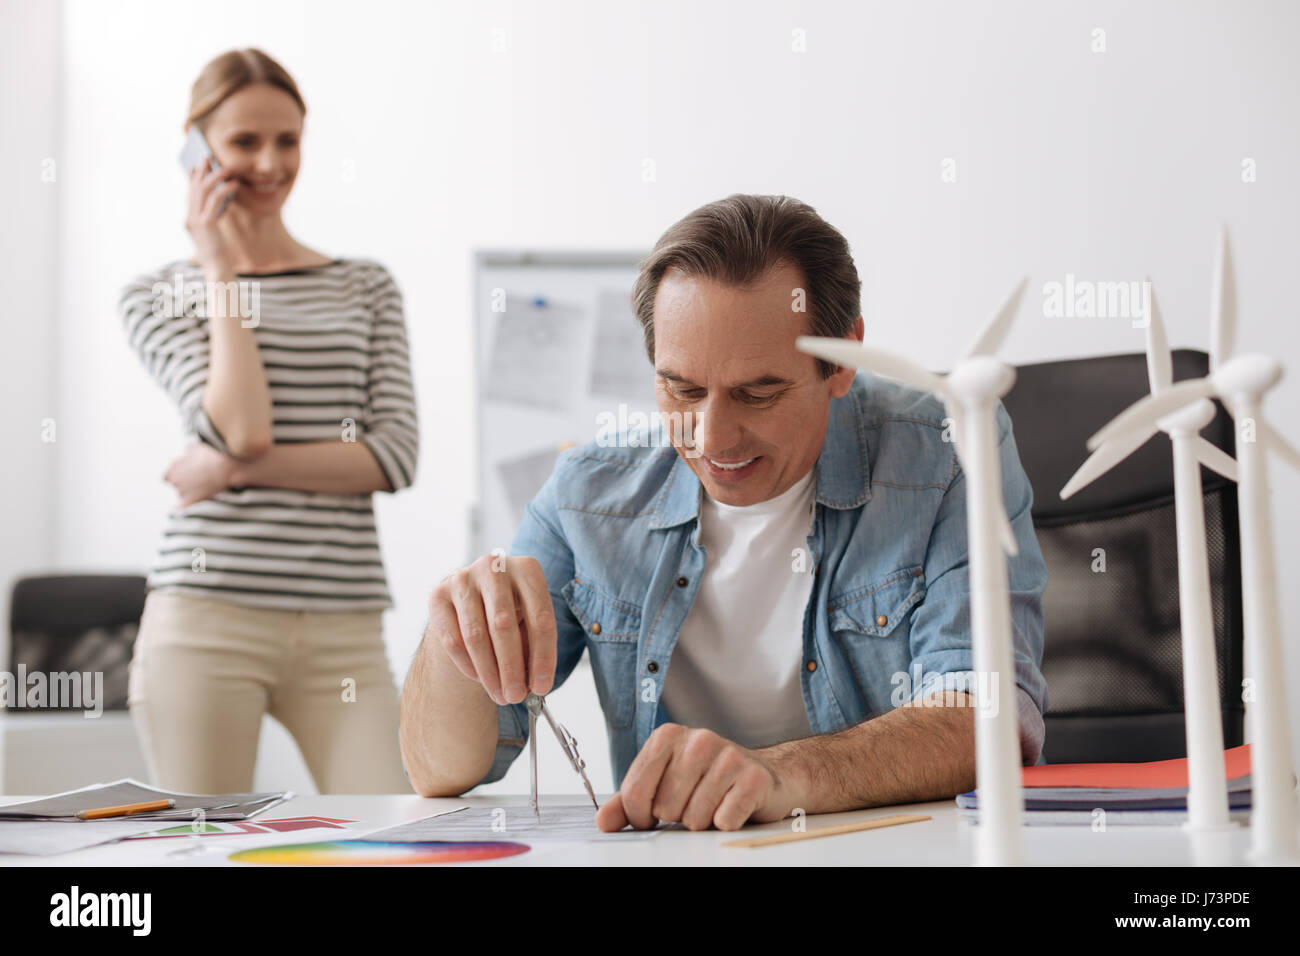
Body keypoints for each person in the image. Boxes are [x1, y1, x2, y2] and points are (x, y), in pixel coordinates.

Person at [400, 194, 1048, 831]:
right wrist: (452, 633)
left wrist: (780, 776)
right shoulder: (588, 493)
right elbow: (441, 772)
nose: (711, 439)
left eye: (758, 393)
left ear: (843, 358)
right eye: (681, 388)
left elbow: (984, 714)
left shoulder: (948, 449)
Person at [121, 49, 418, 795]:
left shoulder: (364, 284)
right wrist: (221, 270)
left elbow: (392, 457)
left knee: (399, 833)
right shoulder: (158, 293)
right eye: (244, 141)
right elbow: (243, 425)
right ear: (198, 147)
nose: (269, 162)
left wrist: (225, 468)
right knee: (203, 846)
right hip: (205, 619)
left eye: (287, 141)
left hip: (344, 622)